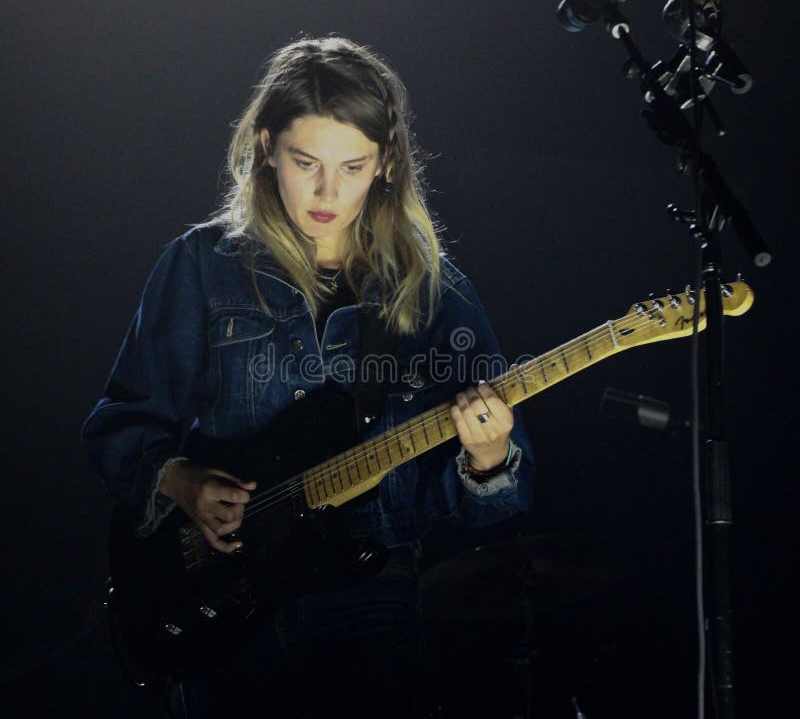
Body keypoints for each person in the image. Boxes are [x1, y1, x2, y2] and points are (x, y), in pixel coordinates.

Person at [82, 36, 534, 718]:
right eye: (306, 163)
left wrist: (489, 455)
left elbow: (487, 501)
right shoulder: (201, 265)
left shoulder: (433, 294)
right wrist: (179, 480)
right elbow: (119, 424)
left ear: (386, 164)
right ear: (266, 147)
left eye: (352, 167)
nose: (327, 191)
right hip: (225, 589)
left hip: (370, 588)